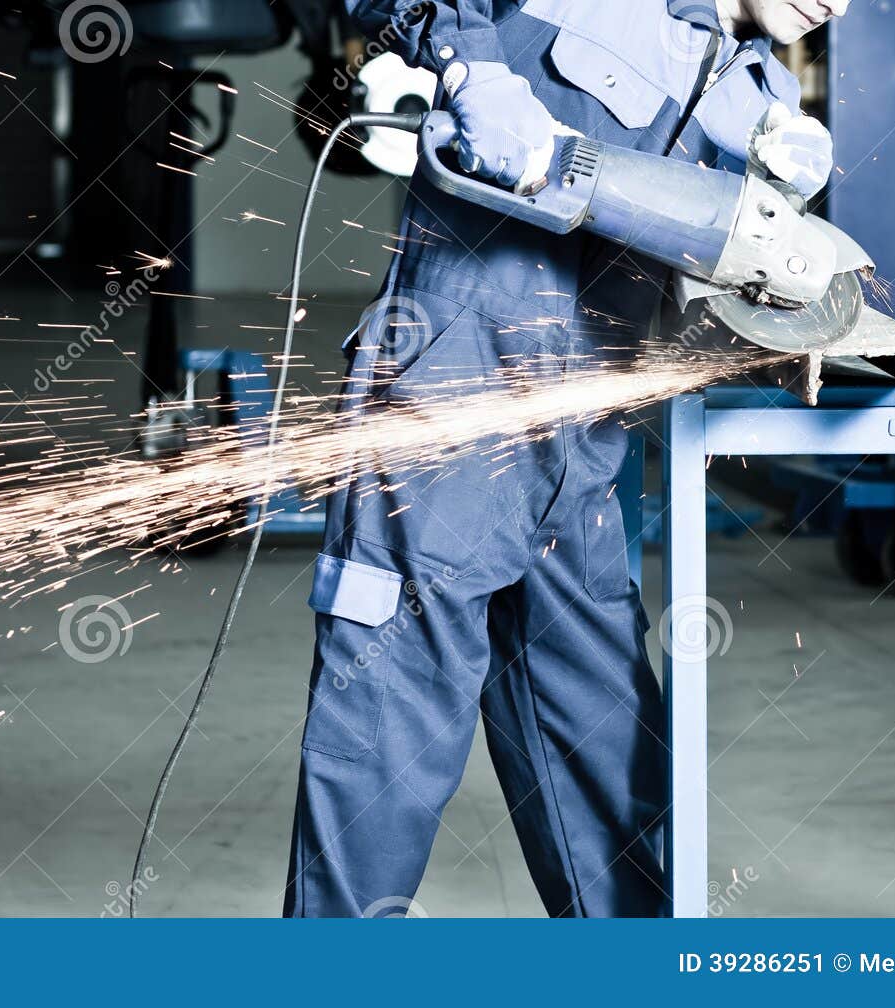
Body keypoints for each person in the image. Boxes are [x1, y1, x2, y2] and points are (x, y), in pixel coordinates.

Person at [285, 0, 845, 917]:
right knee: (386, 742)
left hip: (583, 451)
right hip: (451, 405)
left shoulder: (757, 92)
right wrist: (470, 68)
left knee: (608, 756)